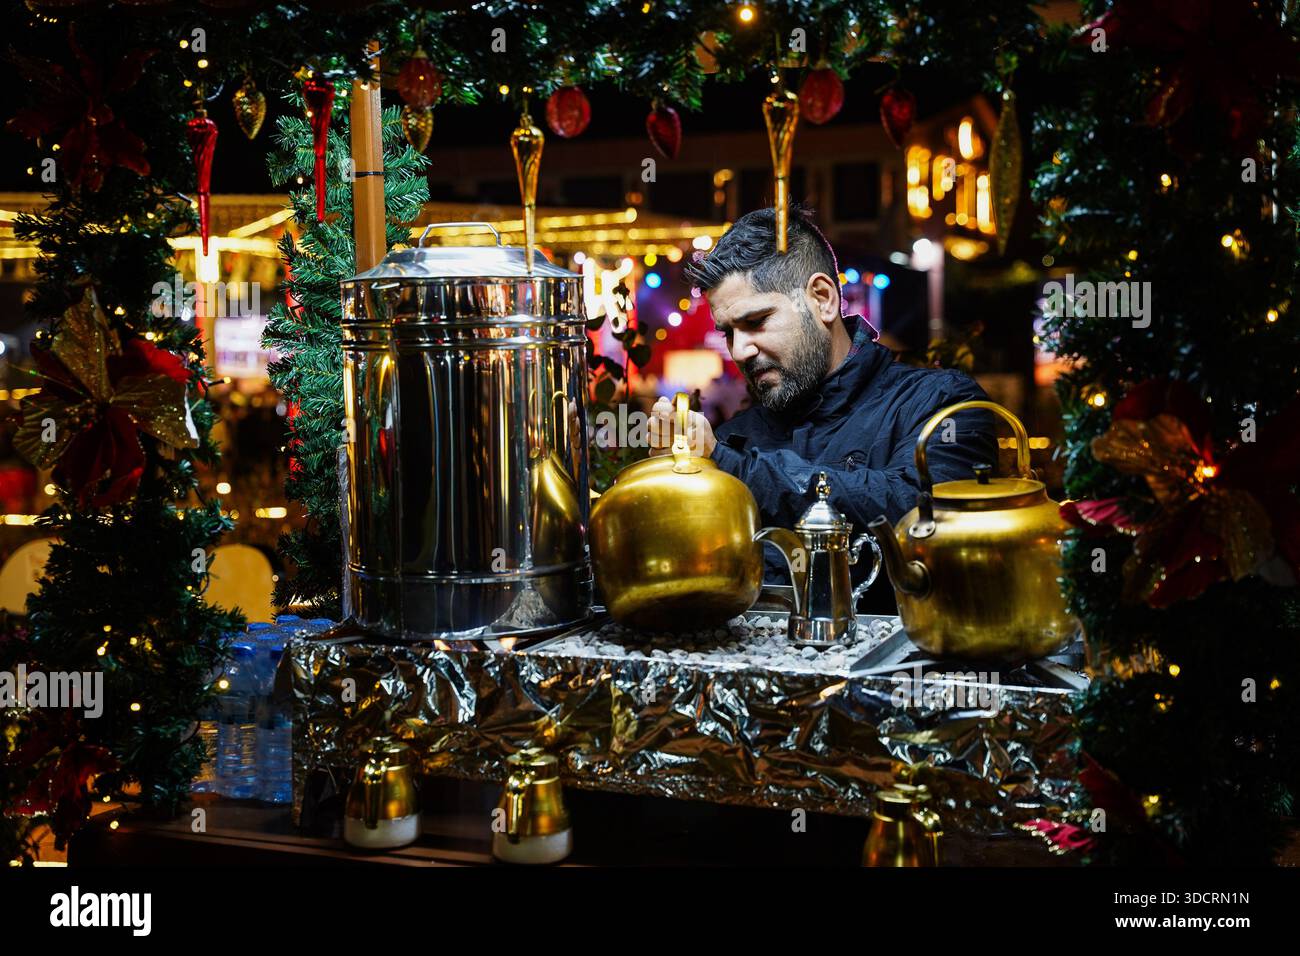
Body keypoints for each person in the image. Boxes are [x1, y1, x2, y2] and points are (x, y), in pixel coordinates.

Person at [649, 206, 997, 611]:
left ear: (823, 299)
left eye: (757, 321)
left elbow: (921, 520)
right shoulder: (733, 439)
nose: (739, 350)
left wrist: (733, 471)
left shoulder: (941, 404)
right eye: (728, 332)